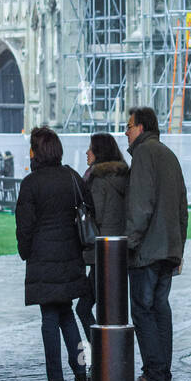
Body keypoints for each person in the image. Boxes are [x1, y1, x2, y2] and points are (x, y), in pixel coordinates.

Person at [15, 126, 92, 381]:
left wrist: (25, 251)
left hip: (42, 258)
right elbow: (88, 208)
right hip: (70, 255)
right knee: (67, 315)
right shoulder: (71, 176)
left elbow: (25, 226)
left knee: (49, 318)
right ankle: (81, 370)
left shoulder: (31, 184)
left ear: (37, 153)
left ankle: (55, 377)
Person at [125, 106, 188, 381]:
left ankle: (154, 372)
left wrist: (130, 243)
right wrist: (179, 248)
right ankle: (163, 372)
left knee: (142, 309)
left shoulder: (143, 154)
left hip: (148, 249)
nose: (125, 132)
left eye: (129, 126)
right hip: (169, 248)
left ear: (141, 127)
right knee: (161, 309)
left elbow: (140, 206)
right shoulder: (169, 155)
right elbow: (182, 207)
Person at [75, 132, 129, 338]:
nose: (87, 152)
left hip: (101, 252)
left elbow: (93, 215)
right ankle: (105, 354)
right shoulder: (123, 177)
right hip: (117, 251)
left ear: (100, 152)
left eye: (91, 148)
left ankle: (102, 354)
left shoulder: (97, 180)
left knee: (84, 308)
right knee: (109, 310)